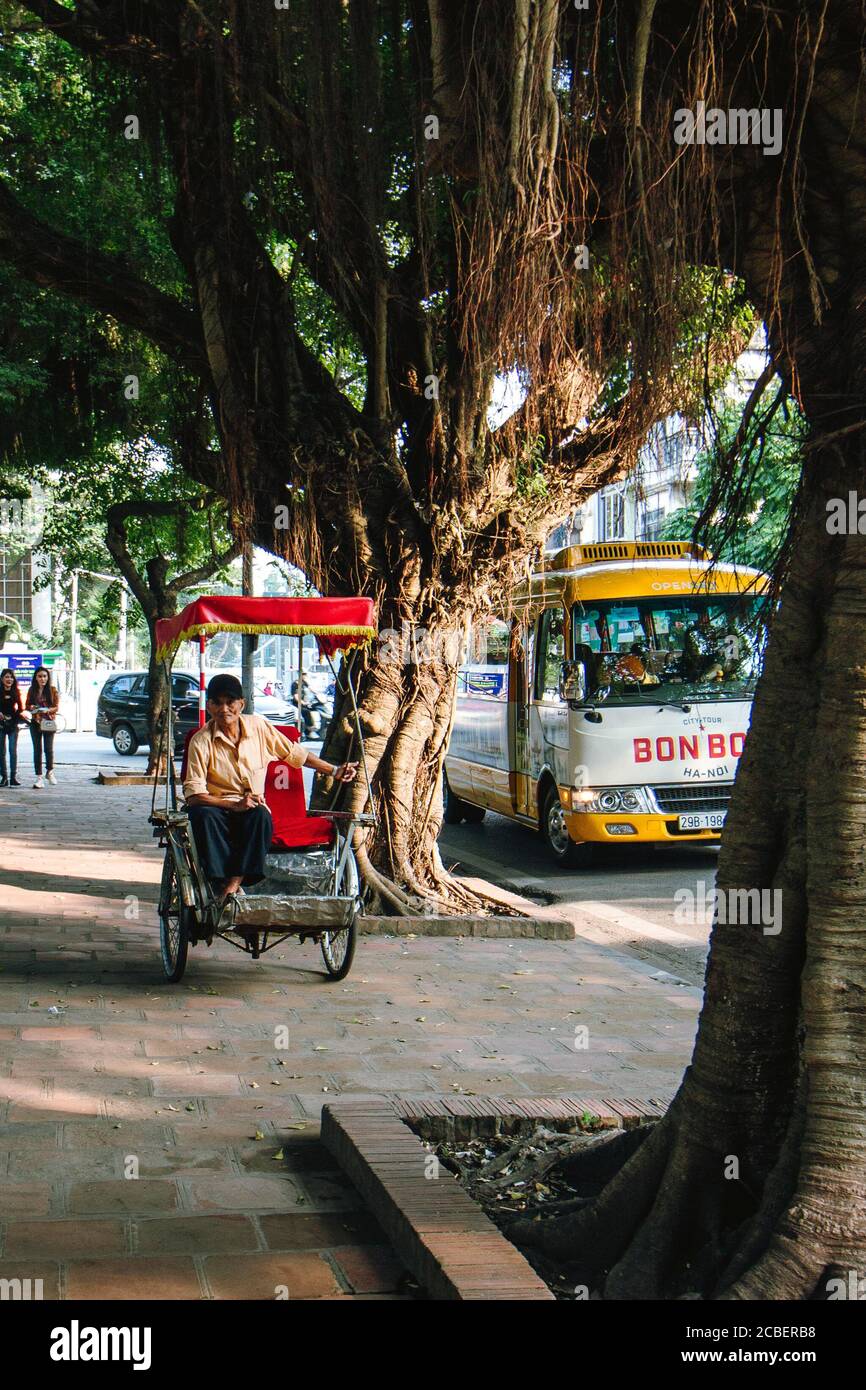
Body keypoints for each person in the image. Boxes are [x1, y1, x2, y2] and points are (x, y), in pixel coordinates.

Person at [182, 673, 358, 901]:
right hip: (215, 806)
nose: (224, 709)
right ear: (209, 706)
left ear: (241, 704)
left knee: (261, 816)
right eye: (217, 702)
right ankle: (216, 883)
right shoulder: (201, 740)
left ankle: (233, 884)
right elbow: (194, 795)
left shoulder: (259, 727)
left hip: (251, 805)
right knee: (202, 816)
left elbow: (296, 754)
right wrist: (232, 804)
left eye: (230, 702)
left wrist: (334, 770)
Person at [26, 665, 60, 788]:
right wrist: (32, 708)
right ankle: (39, 777)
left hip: (48, 723)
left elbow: (56, 706)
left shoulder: (52, 690)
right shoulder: (32, 690)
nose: (42, 679)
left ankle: (50, 772)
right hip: (35, 722)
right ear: (36, 678)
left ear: (48, 677)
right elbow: (27, 705)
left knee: (49, 749)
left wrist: (47, 710)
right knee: (37, 750)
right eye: (40, 676)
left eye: (44, 676)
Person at [0, 668, 28, 787]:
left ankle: (13, 777)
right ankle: (4, 777)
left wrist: (18, 714)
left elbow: (21, 708)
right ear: (2, 679)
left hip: (13, 724)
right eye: (6, 677)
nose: (9, 679)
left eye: (11, 677)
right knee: (1, 752)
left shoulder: (16, 692)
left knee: (13, 751)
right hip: (1, 724)